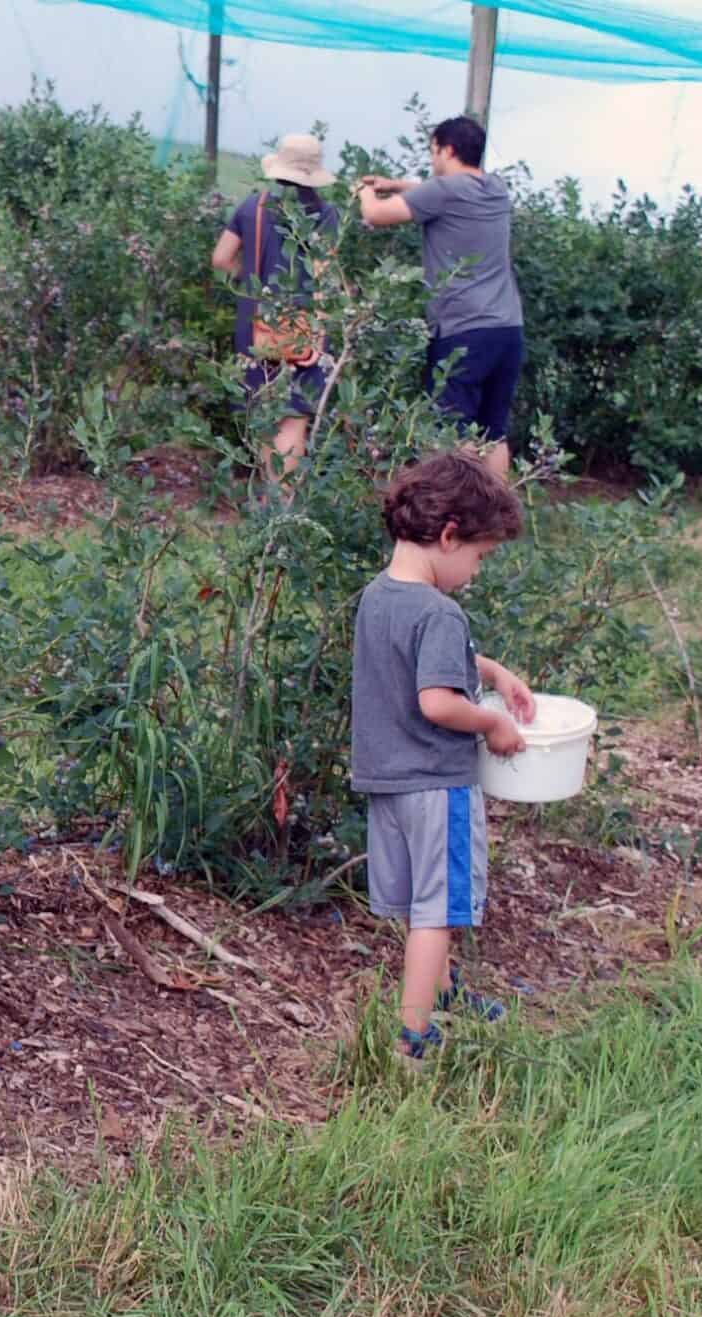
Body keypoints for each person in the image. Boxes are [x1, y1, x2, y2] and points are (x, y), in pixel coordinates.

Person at [350, 452, 534, 1065]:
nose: (475, 574)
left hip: (388, 782)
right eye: (478, 557)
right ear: (450, 534)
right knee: (439, 911)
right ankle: (414, 1036)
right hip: (436, 784)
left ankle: (444, 991)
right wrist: (492, 723)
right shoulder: (440, 611)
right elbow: (437, 701)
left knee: (418, 903)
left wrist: (494, 671)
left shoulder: (379, 596)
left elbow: (416, 660)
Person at [357, 116, 524, 479]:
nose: (433, 159)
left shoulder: (444, 193)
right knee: (493, 432)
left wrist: (366, 190)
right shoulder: (495, 188)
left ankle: (459, 511)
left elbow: (376, 214)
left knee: (452, 431)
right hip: (508, 329)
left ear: (447, 149)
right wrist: (397, 184)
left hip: (463, 330)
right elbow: (435, 189)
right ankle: (497, 519)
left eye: (434, 151)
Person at [212, 132, 339, 495]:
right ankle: (286, 504)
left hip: (256, 328)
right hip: (306, 330)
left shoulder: (252, 208)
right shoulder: (326, 215)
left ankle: (269, 500)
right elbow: (326, 274)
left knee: (264, 417)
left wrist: (250, 276)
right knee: (294, 421)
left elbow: (220, 259)